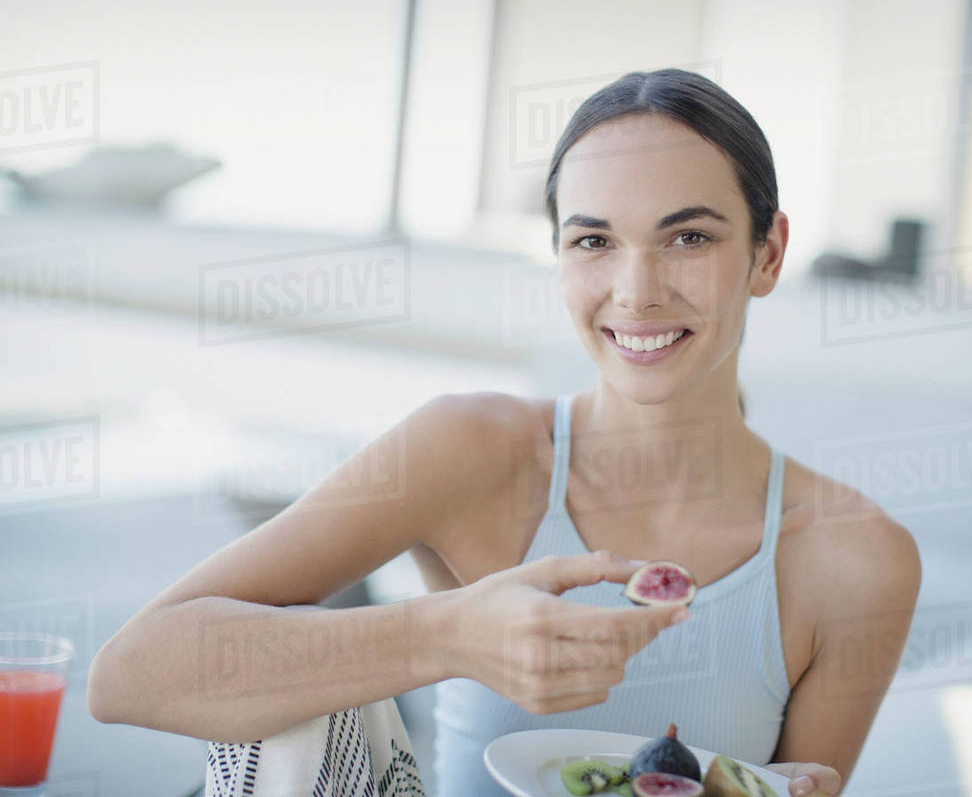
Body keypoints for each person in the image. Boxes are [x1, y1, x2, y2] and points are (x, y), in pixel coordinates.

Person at [87, 69, 920, 797]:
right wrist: (447, 634)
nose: (636, 291)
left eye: (689, 237)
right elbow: (129, 676)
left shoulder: (855, 560)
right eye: (594, 240)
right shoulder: (471, 451)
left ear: (768, 255)